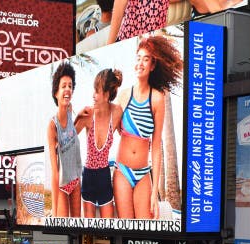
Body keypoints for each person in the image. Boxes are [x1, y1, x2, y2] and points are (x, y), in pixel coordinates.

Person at [113, 35, 182, 219]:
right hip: (122, 171)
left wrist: (154, 192)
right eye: (138, 58)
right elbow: (111, 130)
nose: (140, 63)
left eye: (145, 59)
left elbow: (156, 146)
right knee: (126, 227)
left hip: (144, 173)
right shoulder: (124, 95)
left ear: (152, 66)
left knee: (145, 224)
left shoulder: (157, 98)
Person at [78, 68, 123, 218]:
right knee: (89, 228)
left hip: (104, 176)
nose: (93, 95)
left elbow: (125, 134)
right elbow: (68, 136)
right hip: (88, 177)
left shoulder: (117, 112)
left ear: (107, 94)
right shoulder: (88, 114)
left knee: (108, 226)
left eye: (97, 91)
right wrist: (77, 117)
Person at [47, 62, 83, 218]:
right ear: (56, 92)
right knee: (62, 224)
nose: (68, 89)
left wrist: (79, 117)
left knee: (76, 226)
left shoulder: (70, 110)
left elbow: (71, 133)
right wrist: (54, 211)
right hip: (62, 185)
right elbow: (54, 171)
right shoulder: (52, 126)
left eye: (70, 86)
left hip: (75, 180)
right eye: (63, 86)